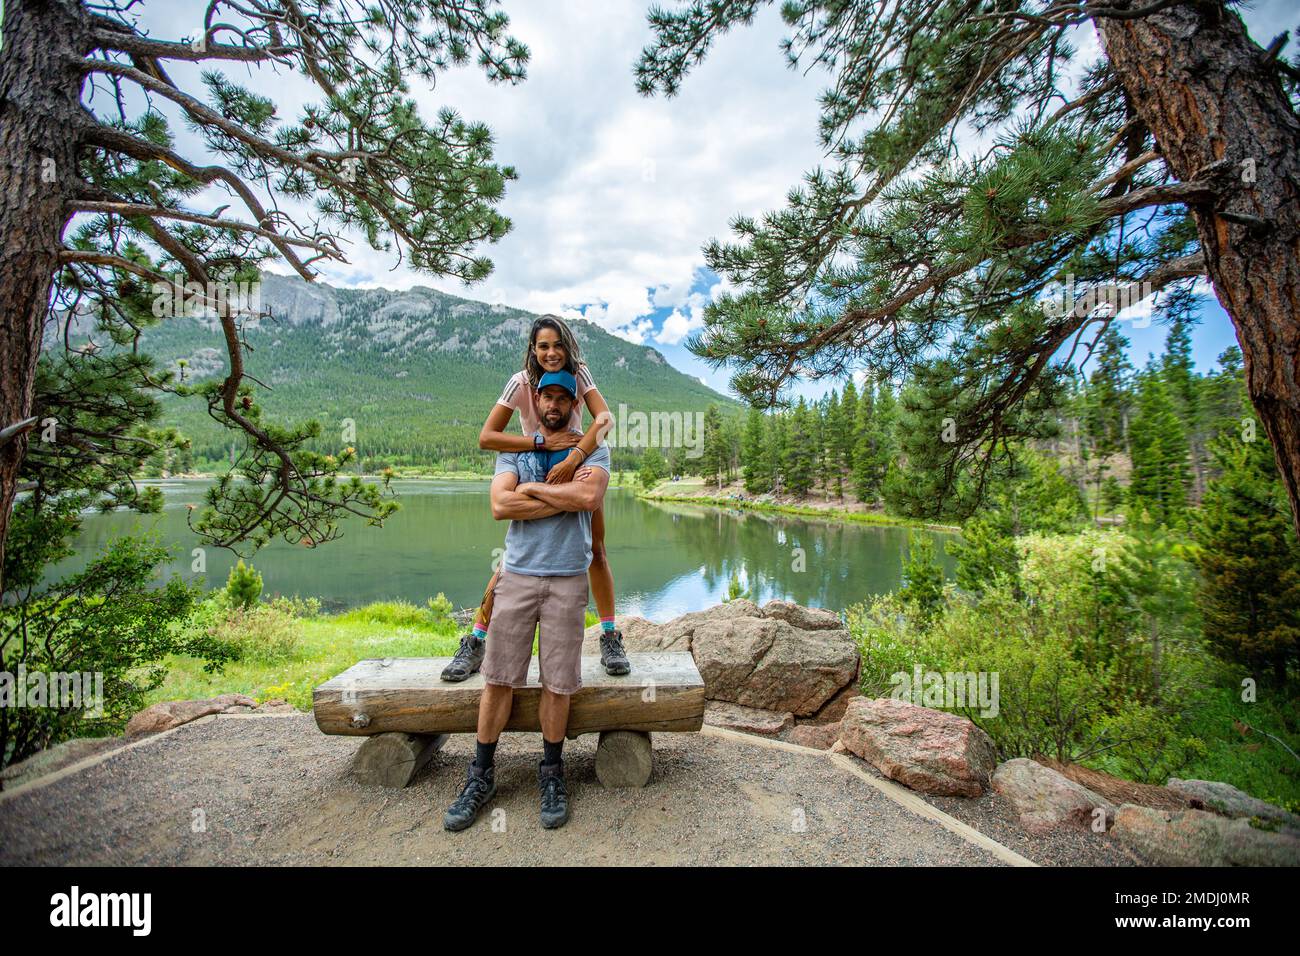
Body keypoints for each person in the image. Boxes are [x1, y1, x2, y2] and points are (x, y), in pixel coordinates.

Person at [444, 369, 611, 831]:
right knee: (498, 678)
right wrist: (562, 495)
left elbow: (590, 494)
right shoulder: (513, 447)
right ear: (535, 402)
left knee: (558, 682)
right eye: (547, 397)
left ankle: (552, 773)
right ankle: (480, 775)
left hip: (567, 579)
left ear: (576, 404)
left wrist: (533, 488)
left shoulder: (592, 445)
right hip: (516, 577)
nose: (555, 405)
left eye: (564, 398)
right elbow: (501, 505)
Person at [441, 315, 630, 682]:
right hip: (533, 462)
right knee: (511, 561)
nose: (551, 353)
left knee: (598, 550)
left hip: (579, 462)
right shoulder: (521, 382)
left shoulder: (580, 374)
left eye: (558, 345)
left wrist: (574, 457)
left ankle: (609, 635)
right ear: (533, 349)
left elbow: (603, 420)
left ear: (568, 346)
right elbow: (487, 437)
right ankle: (476, 639)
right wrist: (541, 442)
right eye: (543, 346)